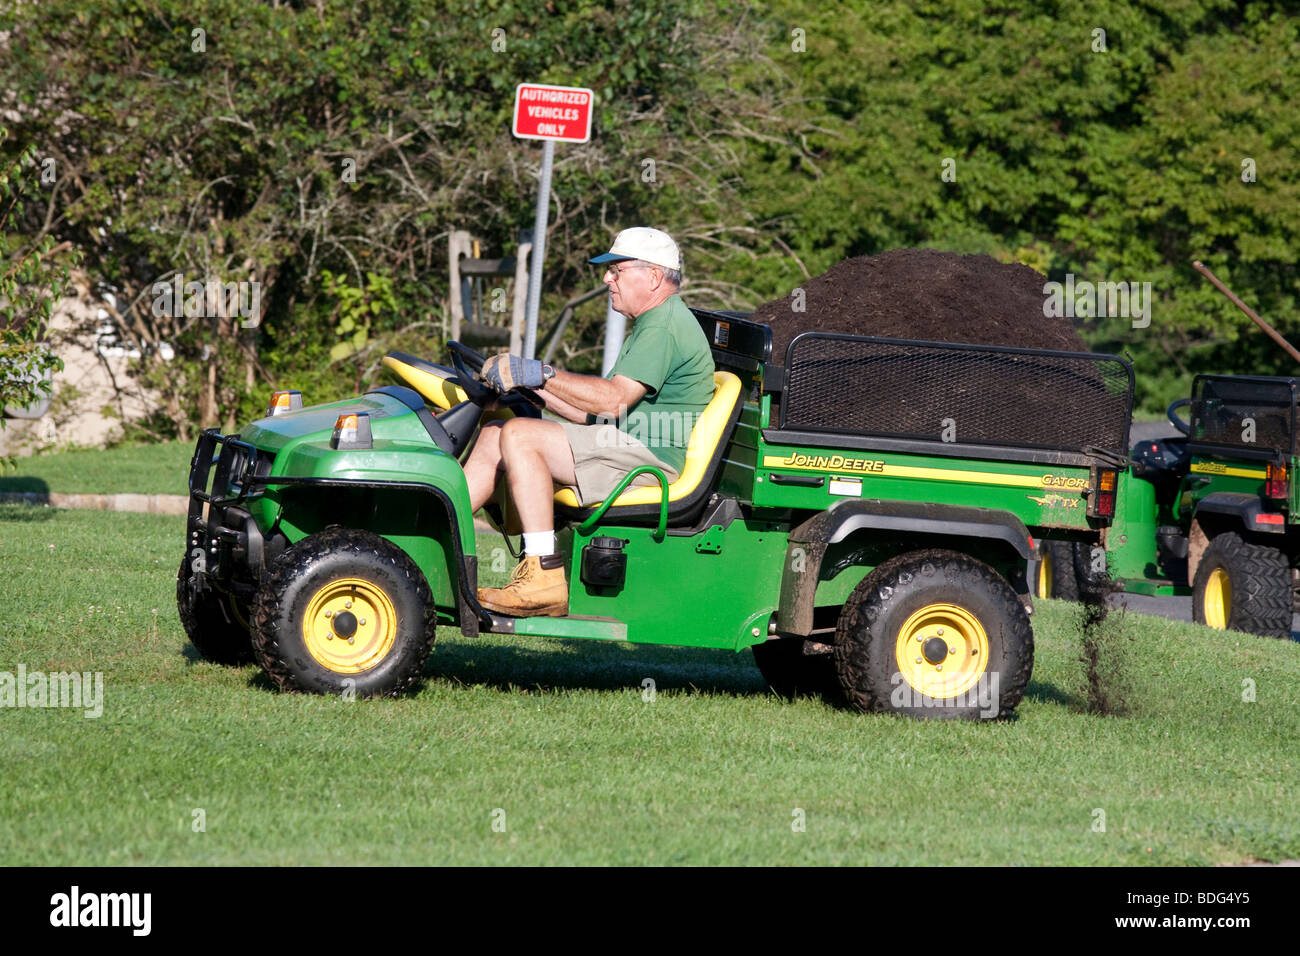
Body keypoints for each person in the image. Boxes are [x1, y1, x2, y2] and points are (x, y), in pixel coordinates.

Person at [464, 227, 716, 617]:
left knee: (519, 435)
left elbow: (613, 400)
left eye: (616, 270)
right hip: (625, 444)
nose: (606, 279)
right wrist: (527, 388)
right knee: (497, 430)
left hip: (650, 461)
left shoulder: (663, 326)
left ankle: (544, 577)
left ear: (651, 277)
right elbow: (594, 413)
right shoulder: (653, 322)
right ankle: (438, 536)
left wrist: (540, 373)